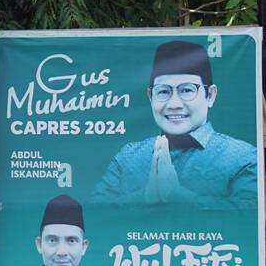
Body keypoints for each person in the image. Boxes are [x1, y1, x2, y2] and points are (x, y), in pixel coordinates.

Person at [93, 40, 256, 208]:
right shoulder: (128, 157)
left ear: (210, 95)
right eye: (163, 91)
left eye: (187, 90)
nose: (174, 104)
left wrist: (177, 195)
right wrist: (145, 196)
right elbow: (96, 215)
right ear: (151, 97)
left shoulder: (242, 157)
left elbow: (250, 219)